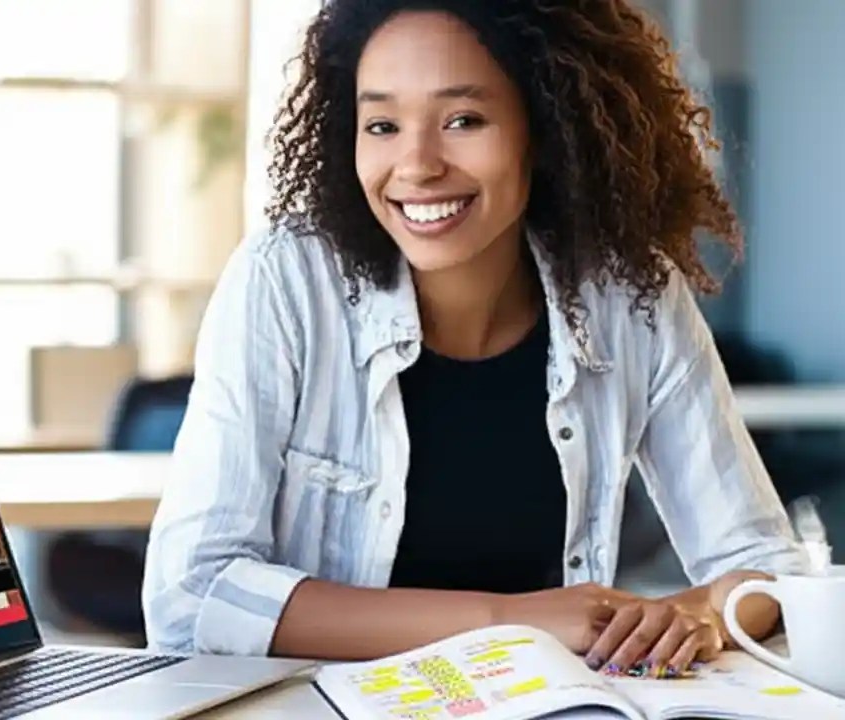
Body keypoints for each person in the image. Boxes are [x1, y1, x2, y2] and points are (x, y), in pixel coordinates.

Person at [141, 0, 809, 677]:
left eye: (463, 120)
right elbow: (192, 594)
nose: (417, 163)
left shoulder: (628, 295)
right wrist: (509, 620)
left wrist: (694, 614)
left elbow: (768, 569)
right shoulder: (286, 281)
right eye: (382, 125)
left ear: (544, 128)